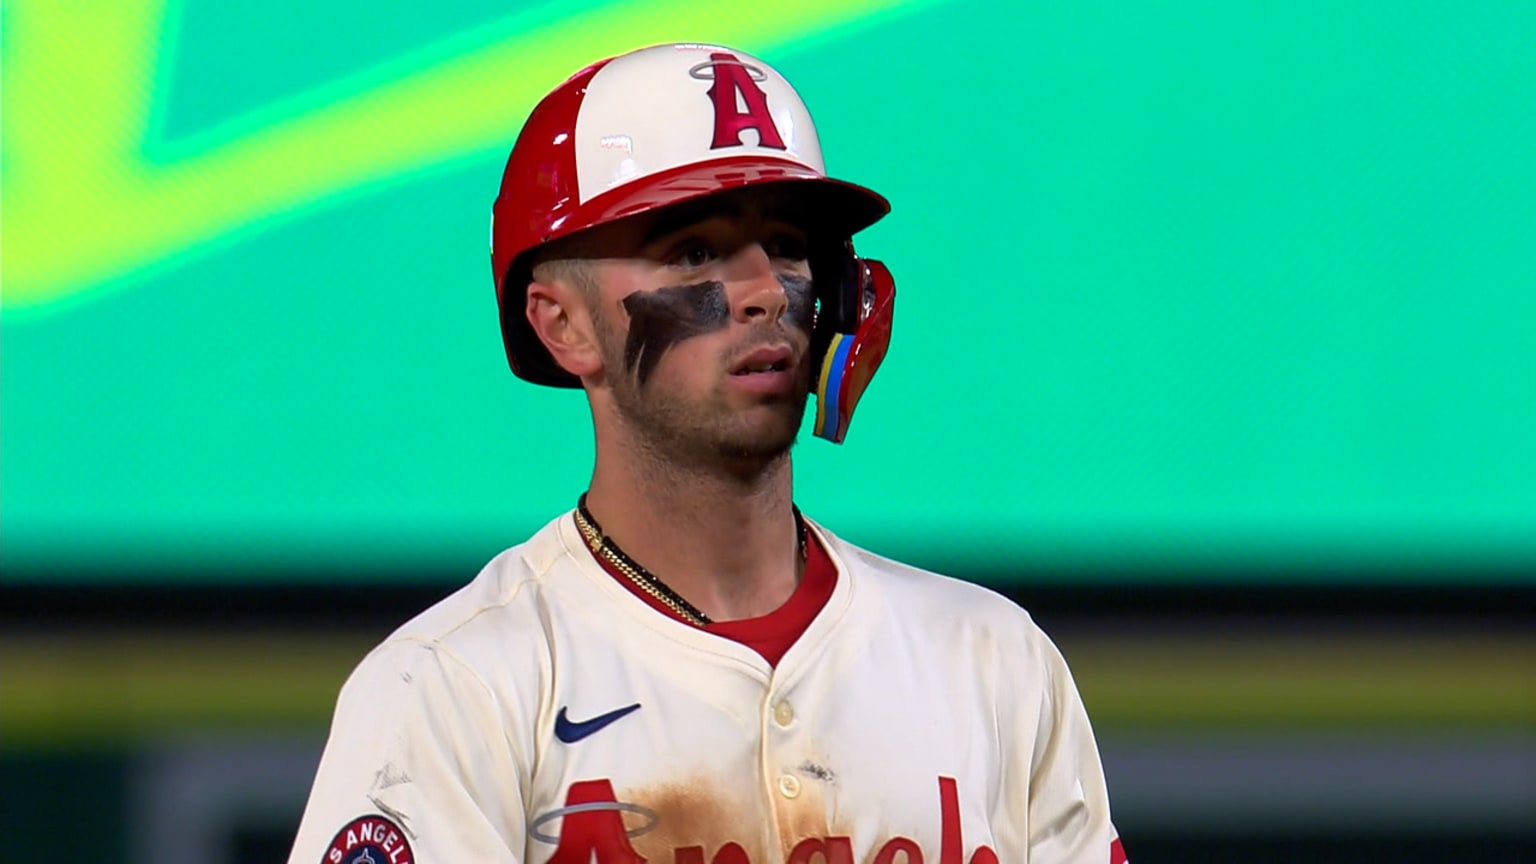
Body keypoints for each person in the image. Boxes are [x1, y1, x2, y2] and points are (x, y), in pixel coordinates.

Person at [286, 42, 1127, 864]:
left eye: (790, 247)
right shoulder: (456, 688)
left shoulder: (991, 663)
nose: (765, 292)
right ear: (564, 325)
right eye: (693, 251)